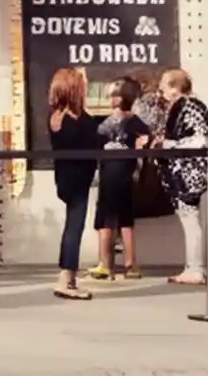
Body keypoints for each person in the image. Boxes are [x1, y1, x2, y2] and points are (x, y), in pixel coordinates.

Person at [153, 68, 208, 286]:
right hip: (184, 172)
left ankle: (195, 268)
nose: (161, 90)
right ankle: (193, 267)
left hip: (188, 173)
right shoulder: (185, 106)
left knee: (190, 220)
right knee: (190, 220)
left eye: (164, 85)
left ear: (175, 87)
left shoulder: (190, 106)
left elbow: (200, 140)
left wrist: (168, 144)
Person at [89, 77, 150, 281]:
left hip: (120, 174)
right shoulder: (118, 122)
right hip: (113, 174)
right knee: (114, 220)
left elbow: (144, 143)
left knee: (116, 220)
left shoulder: (127, 123)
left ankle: (117, 263)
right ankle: (115, 263)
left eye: (114, 95)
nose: (110, 99)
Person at [47, 68, 96, 300]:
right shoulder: (77, 120)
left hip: (65, 177)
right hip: (77, 178)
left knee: (72, 225)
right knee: (75, 226)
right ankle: (66, 278)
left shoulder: (56, 117)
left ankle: (69, 277)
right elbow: (92, 140)